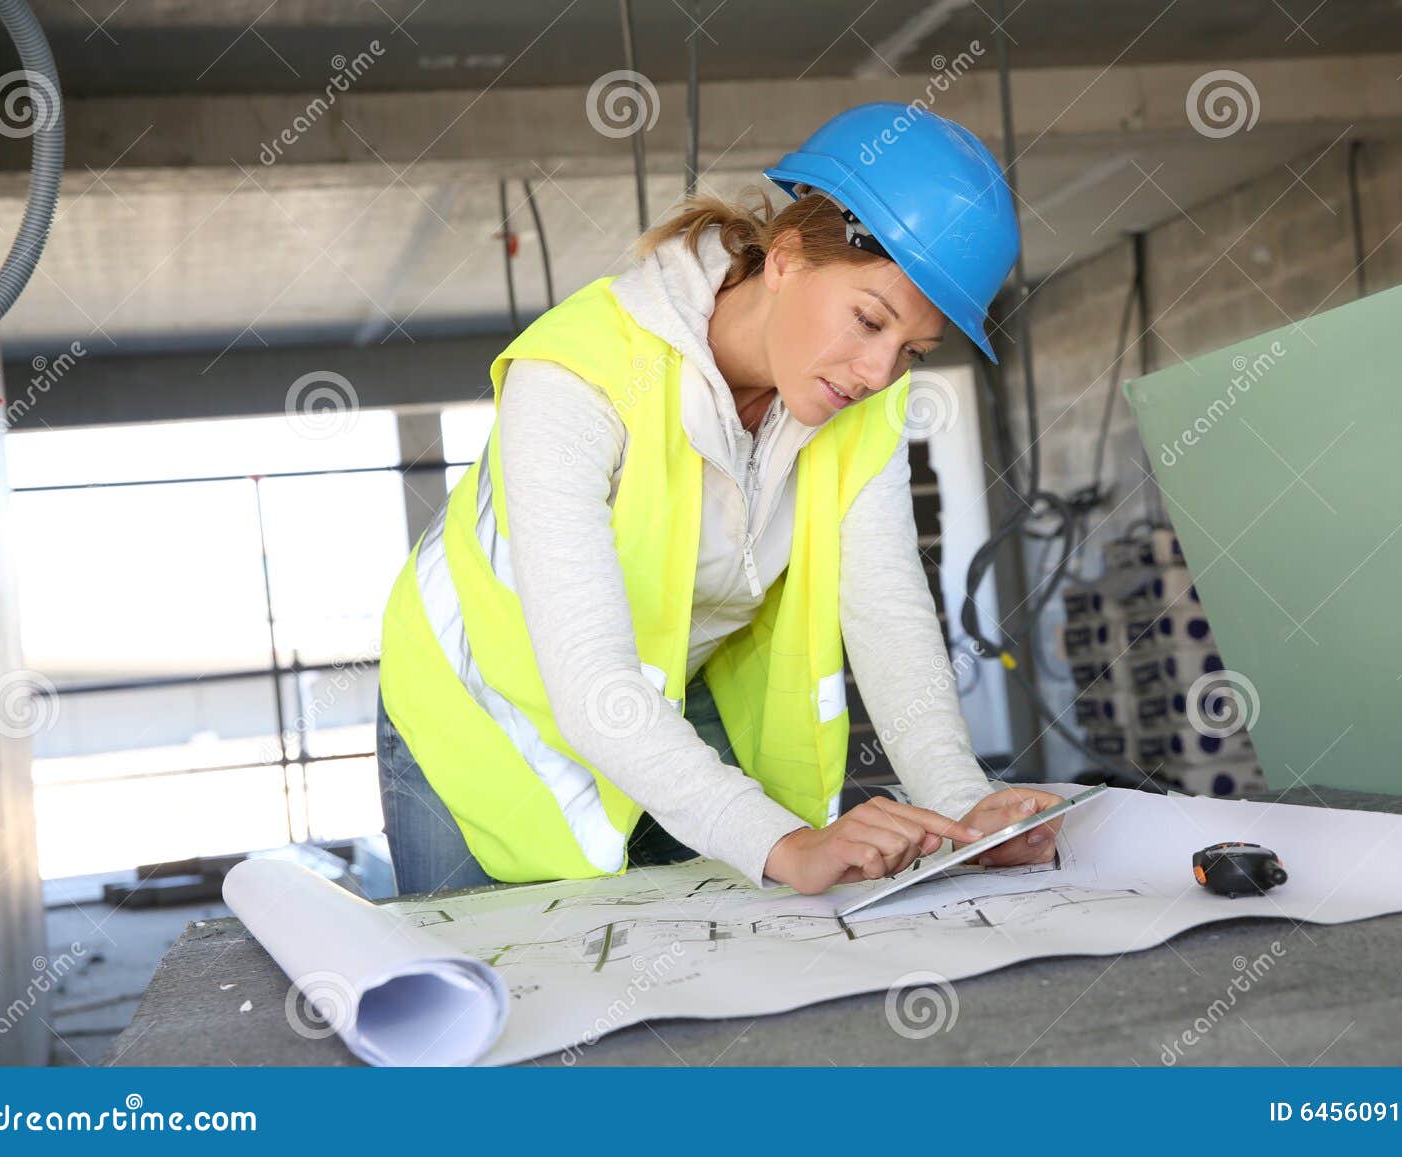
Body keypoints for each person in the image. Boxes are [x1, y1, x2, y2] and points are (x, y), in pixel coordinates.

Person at [376, 101, 1068, 898]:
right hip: (474, 710)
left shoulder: (857, 405)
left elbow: (887, 615)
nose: (878, 373)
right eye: (868, 320)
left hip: (663, 693)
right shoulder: (575, 377)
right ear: (785, 259)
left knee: (706, 958)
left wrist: (963, 810)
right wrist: (782, 840)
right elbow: (593, 684)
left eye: (910, 350)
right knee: (493, 983)